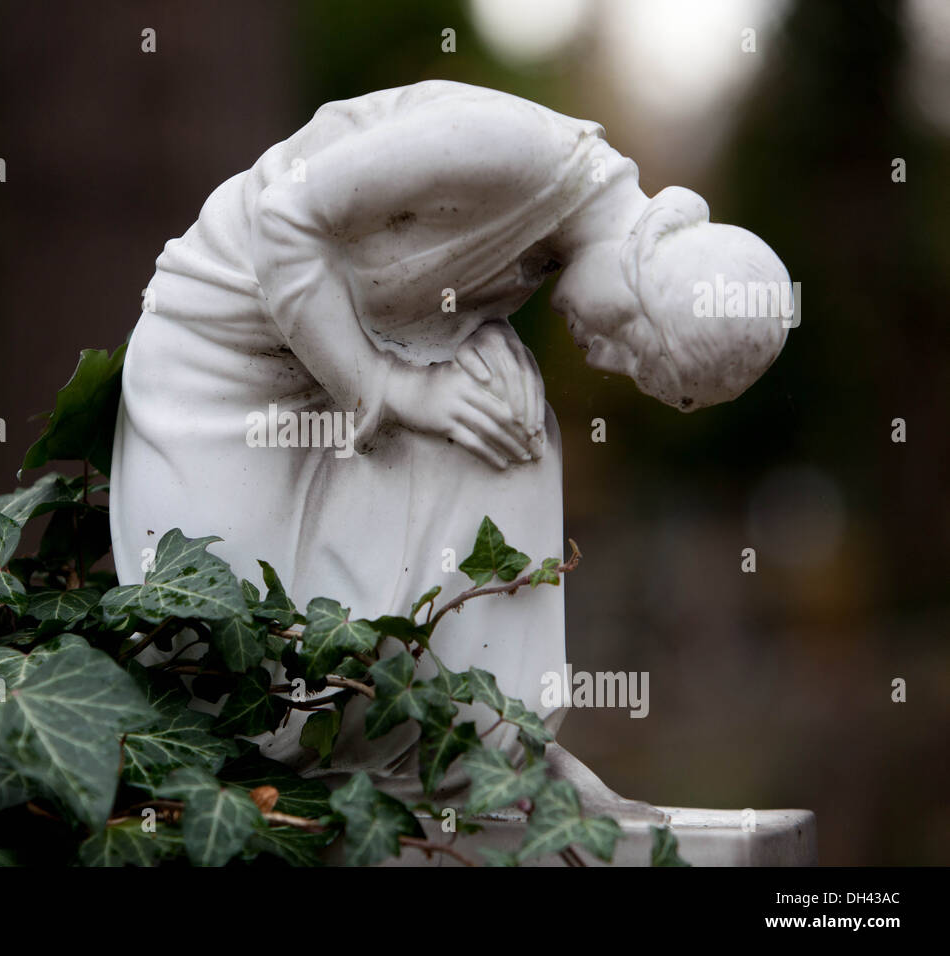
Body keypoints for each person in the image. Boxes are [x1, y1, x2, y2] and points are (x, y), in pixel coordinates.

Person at [110, 80, 791, 803]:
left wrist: (451, 352)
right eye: (633, 344)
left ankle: (489, 754)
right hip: (224, 363)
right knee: (212, 659)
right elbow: (286, 218)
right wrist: (396, 385)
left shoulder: (551, 241)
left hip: (333, 376)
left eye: (636, 372)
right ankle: (398, 762)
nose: (606, 362)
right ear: (650, 266)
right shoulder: (512, 152)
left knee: (509, 419)